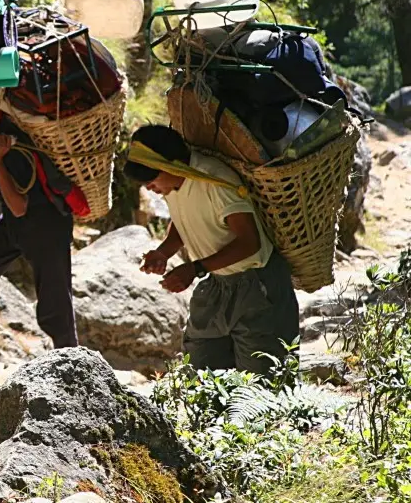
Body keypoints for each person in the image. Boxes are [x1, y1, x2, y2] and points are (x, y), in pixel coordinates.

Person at [124, 125, 300, 375]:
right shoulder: (173, 183)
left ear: (173, 165)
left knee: (262, 382)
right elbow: (184, 219)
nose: (149, 187)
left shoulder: (216, 182)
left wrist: (195, 268)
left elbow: (250, 242)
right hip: (217, 284)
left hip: (258, 287)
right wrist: (164, 252)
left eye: (151, 179)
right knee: (202, 376)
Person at [0, 120, 80, 358]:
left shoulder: (19, 149)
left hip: (47, 227)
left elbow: (19, 205)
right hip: (13, 224)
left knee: (55, 303)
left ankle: (70, 366)